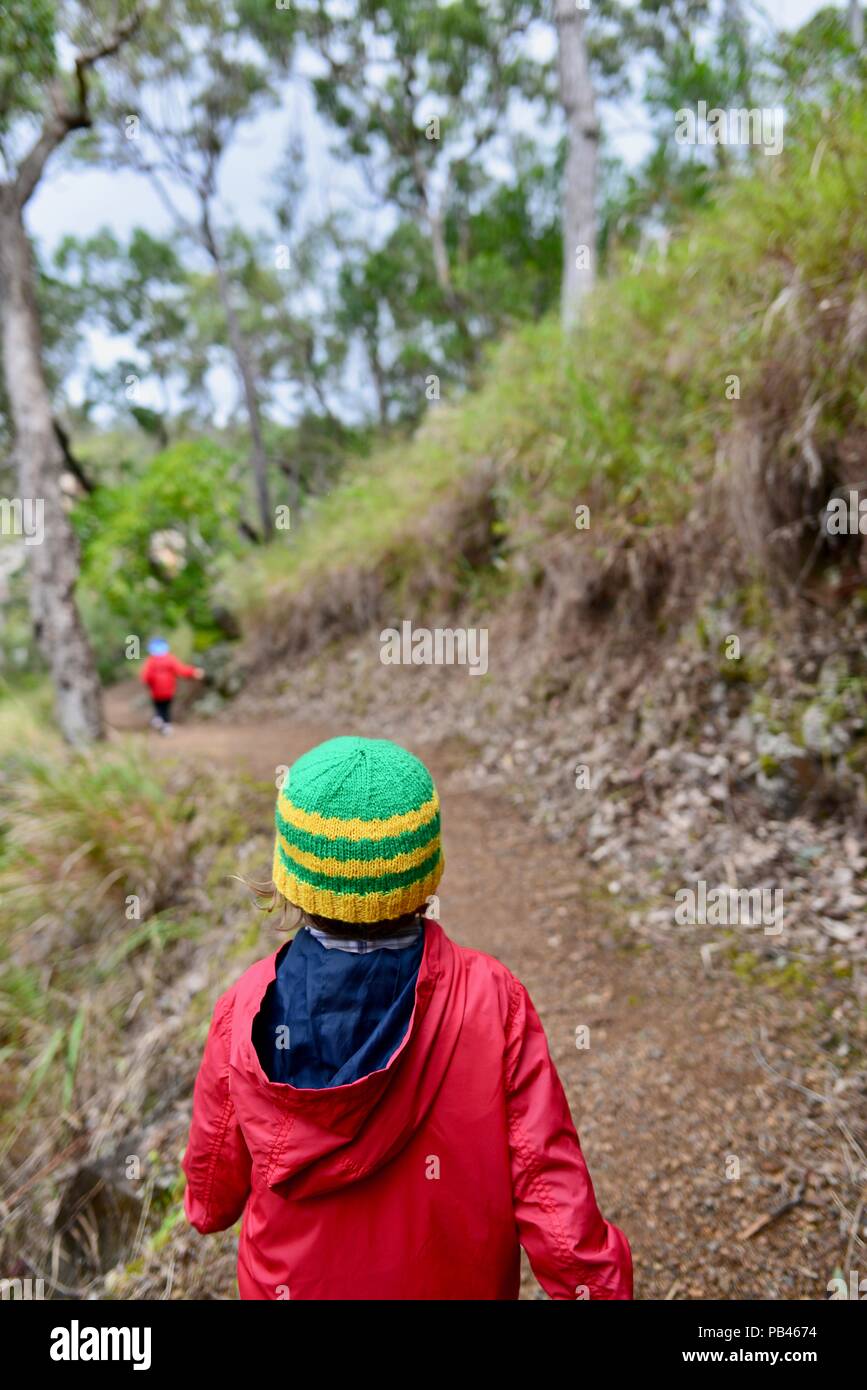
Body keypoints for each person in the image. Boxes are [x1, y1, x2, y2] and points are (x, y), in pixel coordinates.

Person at [183, 735, 633, 1301]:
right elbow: (549, 1185)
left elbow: (210, 1191)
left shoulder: (245, 1008)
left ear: (291, 875)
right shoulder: (492, 999)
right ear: (425, 873)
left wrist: (204, 1204)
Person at [139, 637, 204, 734]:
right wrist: (194, 672)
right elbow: (181, 670)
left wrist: (149, 685)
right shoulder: (170, 659)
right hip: (168, 691)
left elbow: (145, 676)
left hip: (156, 691)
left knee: (159, 707)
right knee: (166, 708)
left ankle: (159, 719)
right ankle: (166, 726)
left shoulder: (151, 661)